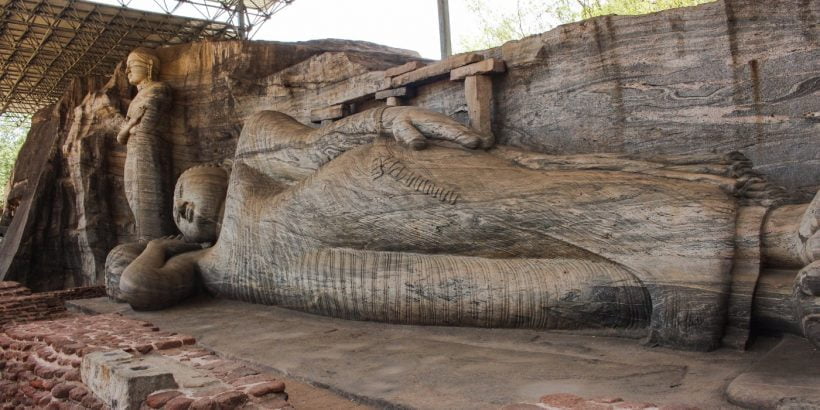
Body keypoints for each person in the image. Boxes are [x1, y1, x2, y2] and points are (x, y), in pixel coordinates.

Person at [109, 106, 820, 351]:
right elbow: (142, 289)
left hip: (371, 190)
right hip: (357, 273)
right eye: (175, 220)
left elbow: (323, 141)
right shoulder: (209, 265)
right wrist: (163, 244)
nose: (183, 210)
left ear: (206, 167)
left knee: (539, 209)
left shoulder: (254, 151)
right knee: (551, 291)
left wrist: (386, 119)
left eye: (180, 196)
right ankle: (782, 302)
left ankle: (785, 232)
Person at [116, 47, 175, 240]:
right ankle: (145, 241)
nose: (127, 71)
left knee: (148, 196)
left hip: (148, 148)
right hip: (134, 149)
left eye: (132, 65)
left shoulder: (159, 89)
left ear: (149, 65)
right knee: (133, 196)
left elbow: (146, 127)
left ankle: (154, 243)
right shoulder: (137, 98)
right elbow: (120, 137)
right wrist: (132, 124)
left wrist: (130, 128)